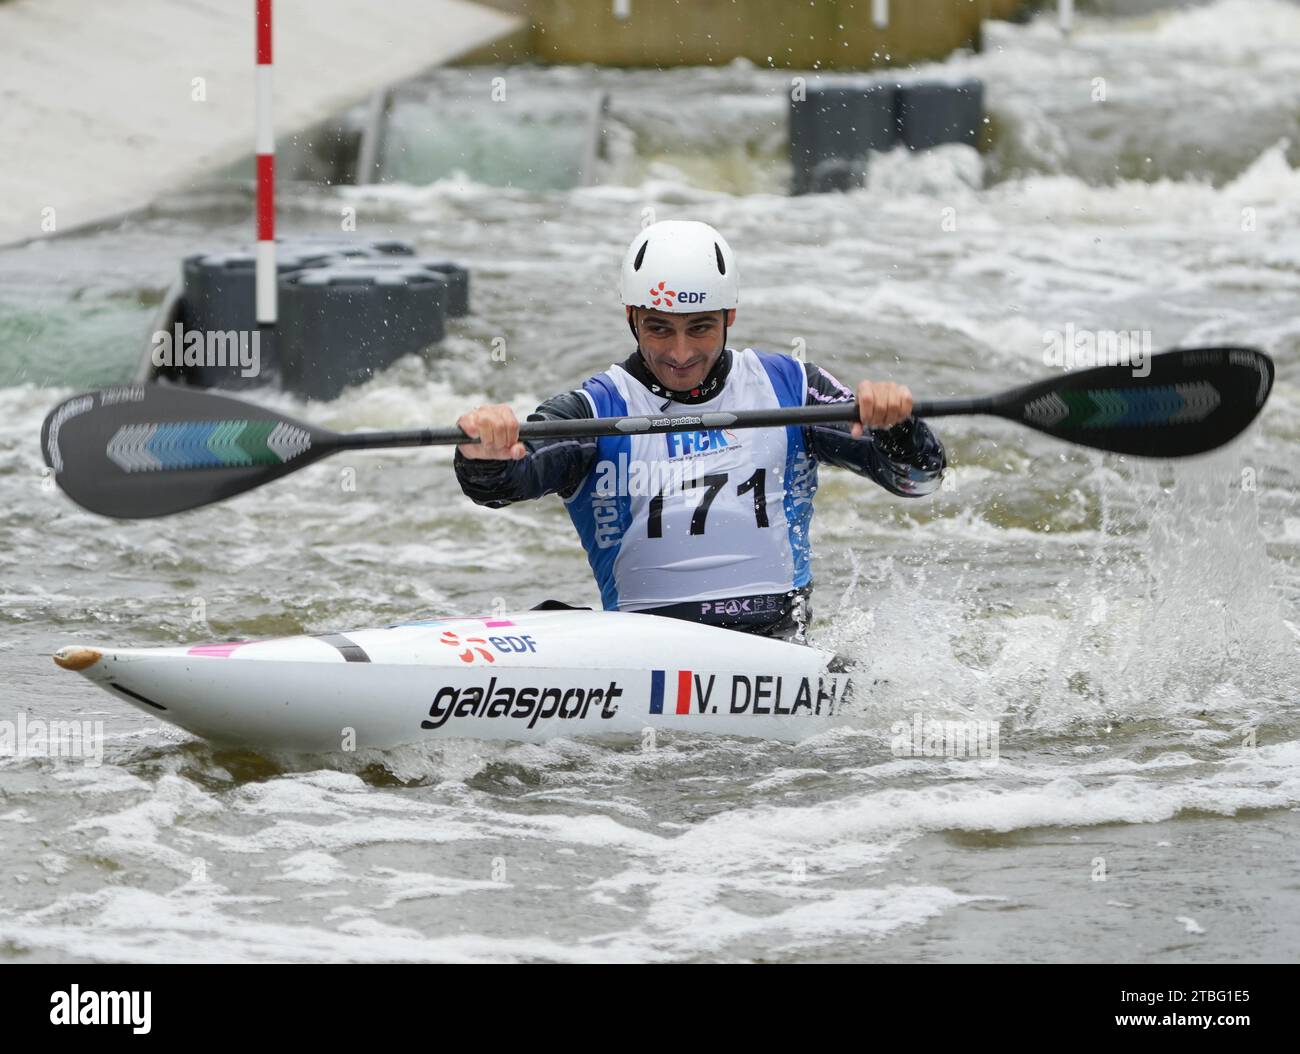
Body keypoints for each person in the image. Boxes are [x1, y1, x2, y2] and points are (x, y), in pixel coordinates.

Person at [455, 219, 945, 643]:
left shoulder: (788, 387)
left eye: (701, 328)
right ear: (632, 319)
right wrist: (487, 450)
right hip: (646, 652)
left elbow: (917, 480)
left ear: (730, 318)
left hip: (778, 648)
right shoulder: (596, 408)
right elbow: (500, 486)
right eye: (660, 329)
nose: (681, 353)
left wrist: (897, 428)